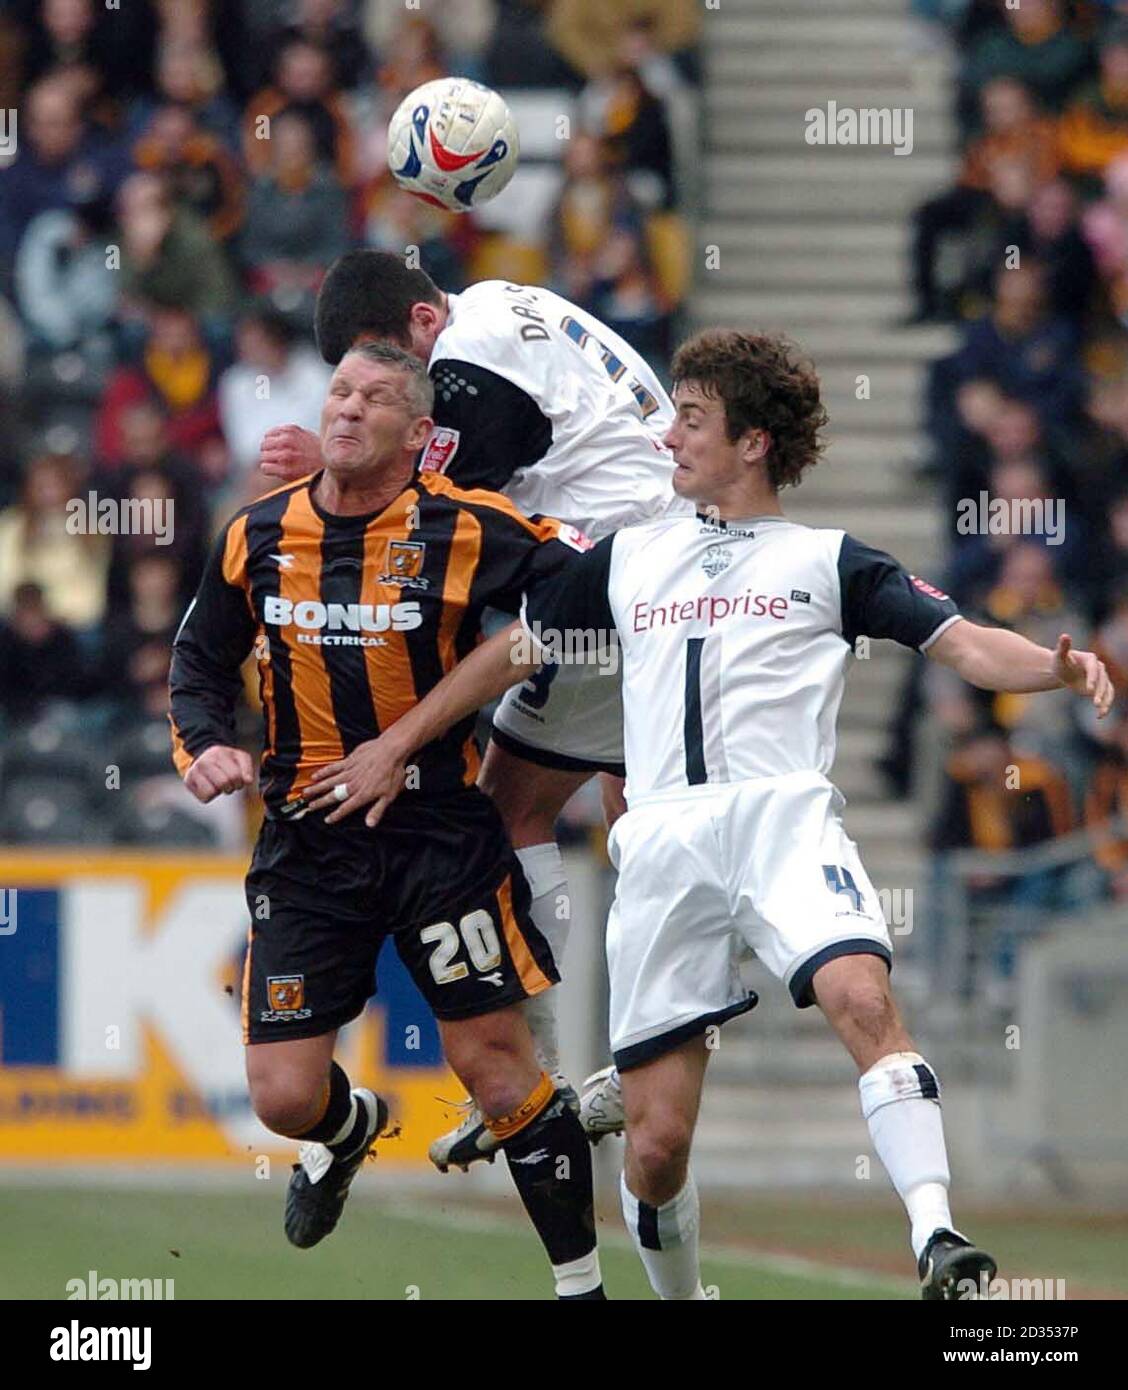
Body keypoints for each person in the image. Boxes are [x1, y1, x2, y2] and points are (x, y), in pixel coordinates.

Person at [318, 329, 1115, 1299]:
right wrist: (399, 743)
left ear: (753, 443)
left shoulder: (830, 561)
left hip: (783, 821)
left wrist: (1055, 669)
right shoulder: (626, 560)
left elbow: (962, 644)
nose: (668, 440)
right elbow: (513, 654)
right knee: (655, 1149)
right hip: (658, 843)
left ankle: (939, 1237)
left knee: (862, 997)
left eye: (691, 420)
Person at [170, 342, 604, 1300]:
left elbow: (586, 589)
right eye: (339, 390)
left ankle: (583, 1288)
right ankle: (345, 1130)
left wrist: (410, 735)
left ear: (419, 437)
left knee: (497, 1071)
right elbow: (198, 661)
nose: (348, 408)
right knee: (283, 1098)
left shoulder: (468, 525)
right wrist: (205, 747)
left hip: (437, 837)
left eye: (375, 399)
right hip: (306, 843)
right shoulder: (257, 532)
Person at [257, 250, 685, 1168]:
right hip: (656, 562)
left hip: (607, 572)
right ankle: (645, 1048)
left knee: (505, 813)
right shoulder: (495, 311)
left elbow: (414, 516)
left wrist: (312, 478)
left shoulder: (466, 372)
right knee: (636, 820)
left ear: (422, 321)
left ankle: (549, 1079)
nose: (382, 391)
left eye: (387, 367)